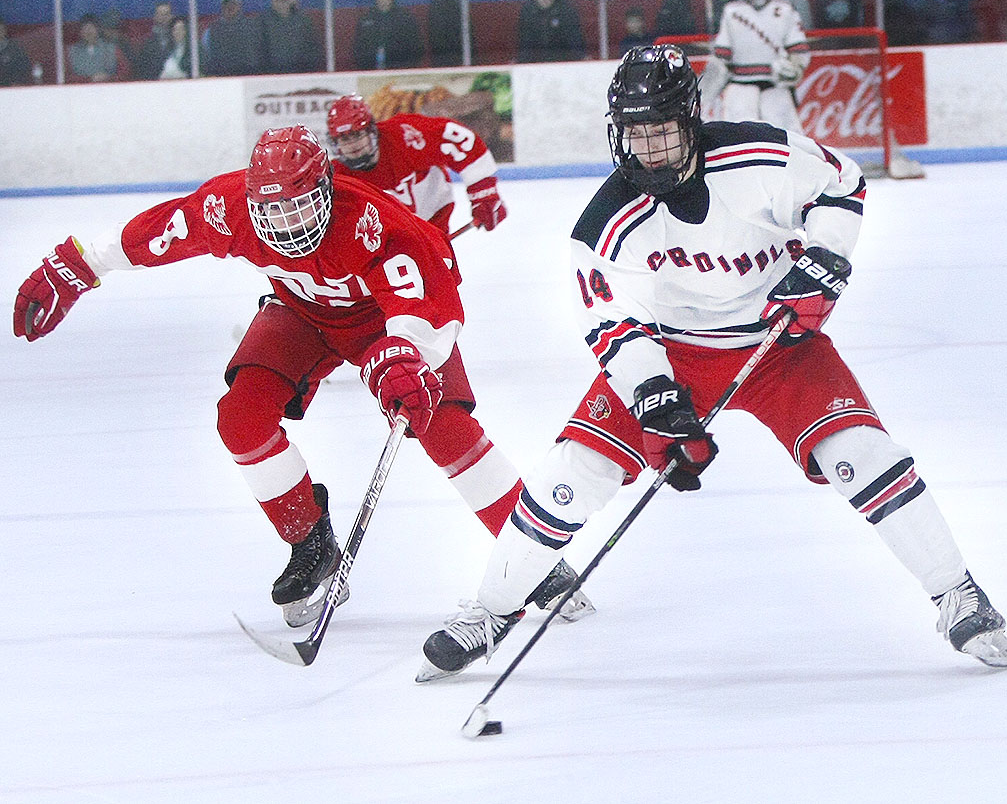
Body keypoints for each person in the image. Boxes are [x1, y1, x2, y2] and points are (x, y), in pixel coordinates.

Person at [416, 44, 1007, 682]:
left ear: (691, 121)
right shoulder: (601, 225)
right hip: (672, 350)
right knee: (574, 472)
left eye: (663, 133)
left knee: (863, 455)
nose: (649, 150)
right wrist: (656, 400)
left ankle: (958, 594)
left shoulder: (759, 155)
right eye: (635, 135)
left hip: (779, 342)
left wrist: (822, 265)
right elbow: (611, 324)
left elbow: (841, 181)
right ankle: (489, 612)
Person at [13, 124, 589, 628]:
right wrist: (76, 264)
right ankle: (309, 539)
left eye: (299, 207)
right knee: (240, 418)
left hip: (384, 329)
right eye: (273, 211)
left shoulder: (378, 223)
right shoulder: (229, 207)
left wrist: (406, 353)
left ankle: (534, 557)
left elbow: (430, 301)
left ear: (327, 189)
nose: (285, 225)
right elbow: (158, 233)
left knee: (446, 431)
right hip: (300, 314)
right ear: (253, 201)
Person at [326, 94, 506, 237]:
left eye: (357, 135)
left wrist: (485, 194)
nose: (352, 145)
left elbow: (460, 140)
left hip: (434, 220)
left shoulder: (406, 136)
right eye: (343, 139)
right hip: (387, 240)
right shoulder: (336, 176)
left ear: (372, 131)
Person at [703, 0, 810, 133]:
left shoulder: (785, 10)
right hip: (740, 84)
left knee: (788, 138)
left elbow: (798, 49)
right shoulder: (733, 12)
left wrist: (795, 68)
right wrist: (710, 84)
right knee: (737, 137)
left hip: (775, 84)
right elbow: (722, 55)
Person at [352, 0, 425, 71]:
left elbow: (418, 47)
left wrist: (406, 67)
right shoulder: (365, 20)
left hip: (400, 72)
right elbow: (357, 48)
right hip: (372, 73)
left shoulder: (406, 18)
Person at [516, 0, 586, 63]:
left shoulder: (566, 10)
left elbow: (575, 40)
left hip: (564, 62)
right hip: (537, 63)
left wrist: (581, 58)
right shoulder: (527, 13)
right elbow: (525, 43)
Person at [259, 0, 321, 75]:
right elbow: (260, 48)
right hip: (273, 72)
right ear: (273, 0)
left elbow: (313, 47)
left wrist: (308, 68)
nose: (282, 2)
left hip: (300, 71)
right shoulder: (264, 21)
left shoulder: (303, 20)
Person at [203, 0, 262, 77]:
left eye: (233, 4)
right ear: (222, 7)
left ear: (239, 6)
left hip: (248, 74)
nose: (229, 8)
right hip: (222, 76)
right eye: (226, 4)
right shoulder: (212, 30)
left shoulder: (252, 26)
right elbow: (206, 55)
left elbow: (258, 52)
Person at [427, 0, 468, 67]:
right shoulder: (437, 6)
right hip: (445, 61)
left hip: (460, 59)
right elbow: (437, 37)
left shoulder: (462, 5)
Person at [67, 14, 120, 82]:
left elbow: (124, 71)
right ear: (80, 31)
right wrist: (89, 79)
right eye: (85, 28)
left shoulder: (111, 48)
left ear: (98, 29)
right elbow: (66, 76)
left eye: (92, 27)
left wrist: (108, 77)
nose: (89, 31)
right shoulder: (71, 51)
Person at [133, 1, 176, 80]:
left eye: (166, 14)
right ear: (155, 17)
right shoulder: (146, 41)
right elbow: (141, 69)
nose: (163, 17)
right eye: (160, 14)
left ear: (171, 16)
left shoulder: (179, 38)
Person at [0, 16, 32, 86]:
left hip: (10, 88)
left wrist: (16, 83)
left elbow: (24, 68)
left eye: (1, 28)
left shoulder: (14, 48)